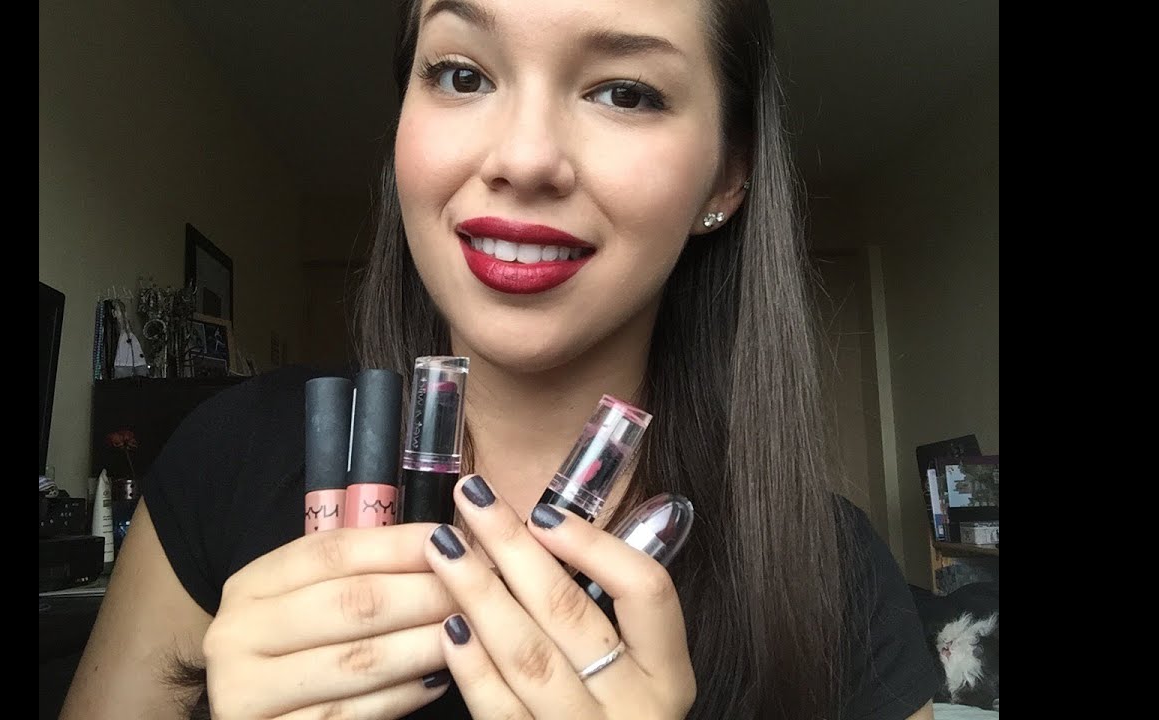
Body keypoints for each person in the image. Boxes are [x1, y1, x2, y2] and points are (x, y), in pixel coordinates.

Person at [60, 0, 939, 718]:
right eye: (462, 74)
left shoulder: (837, 580)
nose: (523, 159)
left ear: (727, 174)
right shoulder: (228, 454)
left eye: (625, 92)